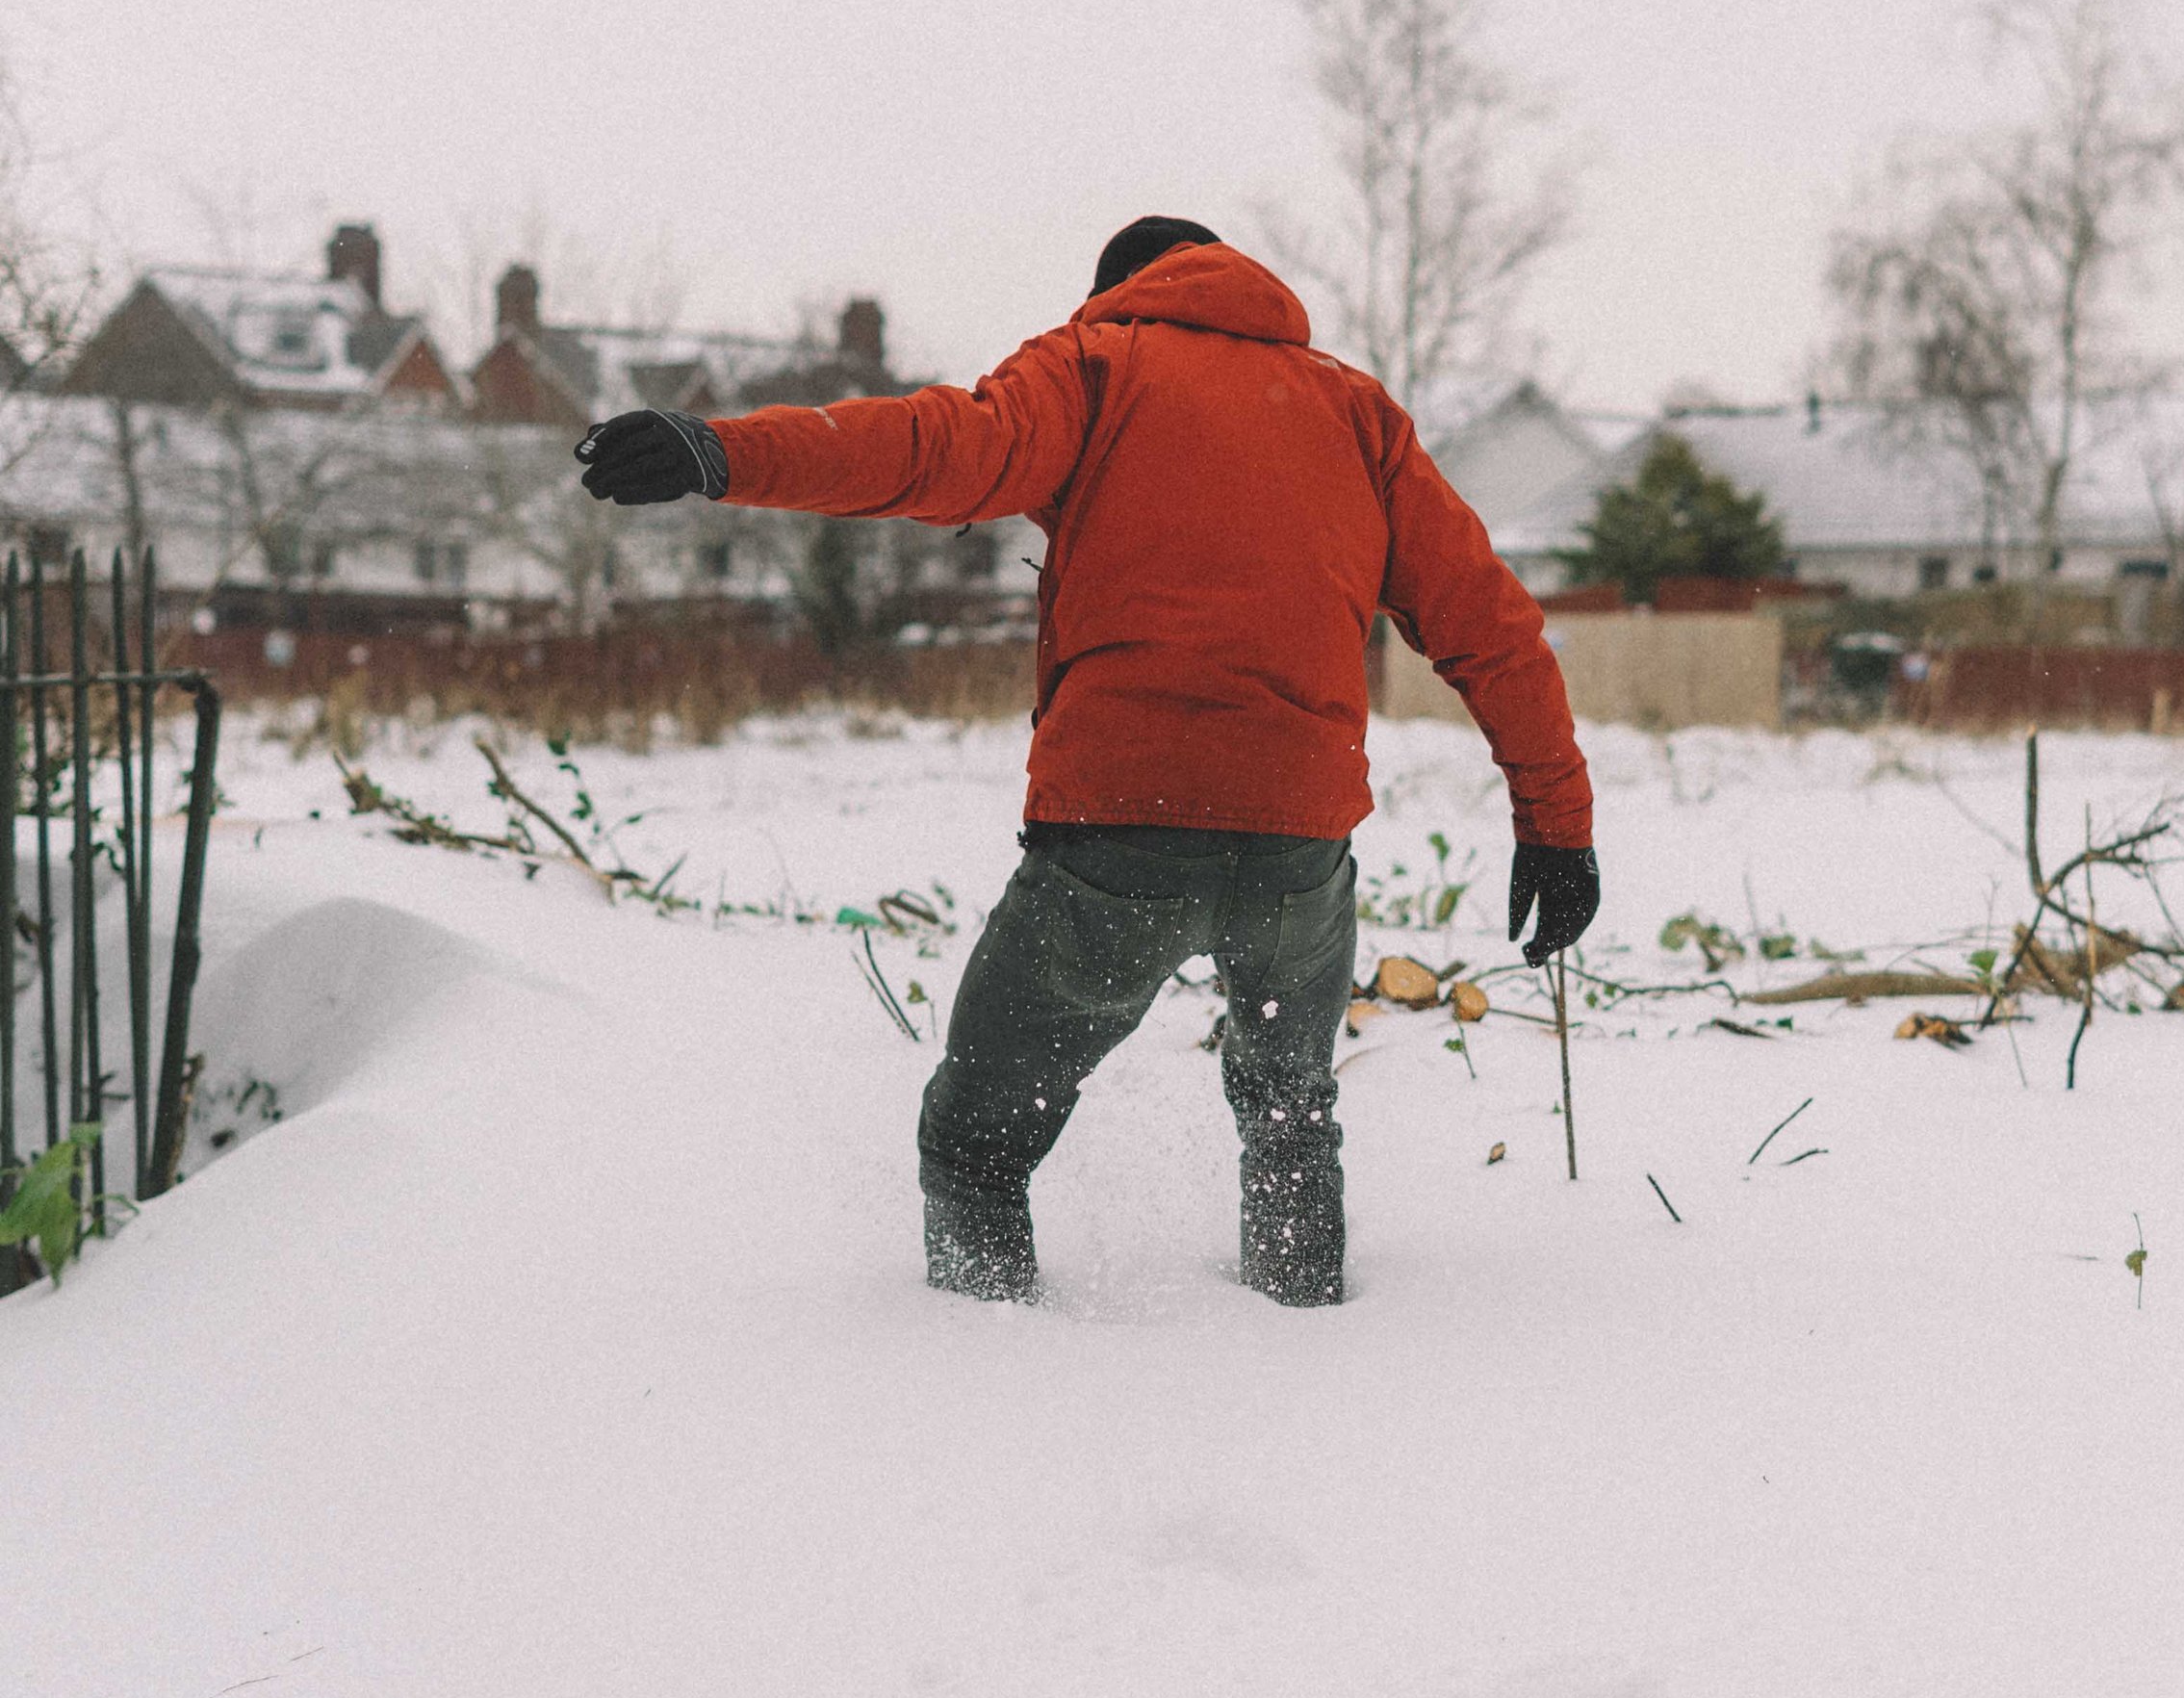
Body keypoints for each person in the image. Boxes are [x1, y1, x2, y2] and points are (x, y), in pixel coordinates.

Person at [578, 217, 1599, 1307]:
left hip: (1121, 829)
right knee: (1289, 1117)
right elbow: (1490, 627)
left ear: (1119, 292)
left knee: (976, 1139)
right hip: (1298, 846)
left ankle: (981, 1362)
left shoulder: (1097, 364)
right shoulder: (1356, 413)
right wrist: (1558, 828)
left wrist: (722, 450)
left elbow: (934, 447)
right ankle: (1305, 1339)